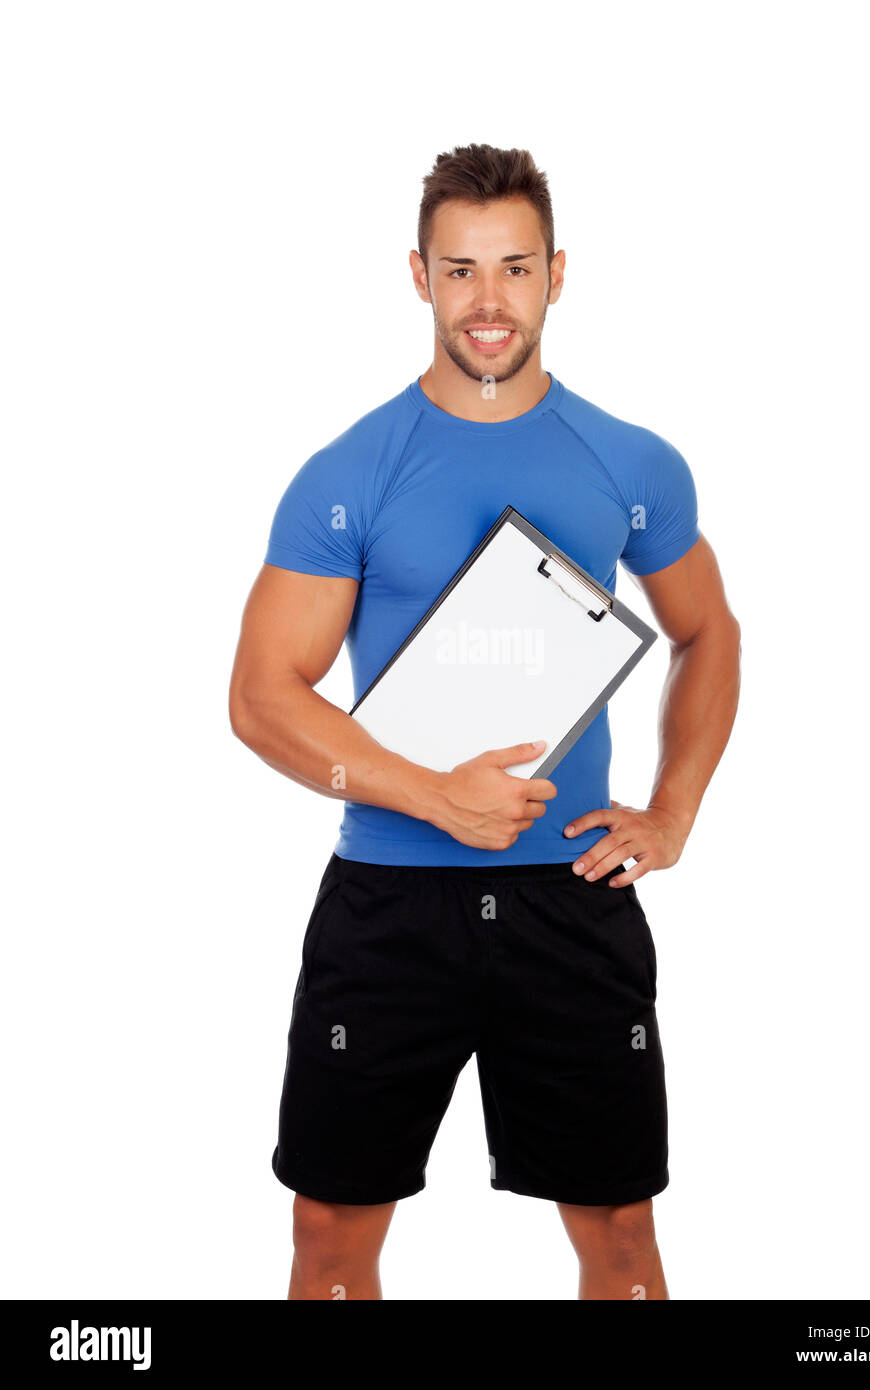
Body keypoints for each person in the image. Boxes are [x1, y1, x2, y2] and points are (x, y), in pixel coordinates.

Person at [229, 142, 741, 1300]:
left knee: (618, 1231)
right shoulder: (349, 472)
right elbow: (260, 696)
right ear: (418, 277)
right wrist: (430, 794)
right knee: (328, 1231)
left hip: (574, 898)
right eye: (461, 270)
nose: (490, 300)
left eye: (514, 267)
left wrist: (672, 808)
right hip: (390, 905)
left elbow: (711, 631)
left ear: (559, 273)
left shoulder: (630, 459)